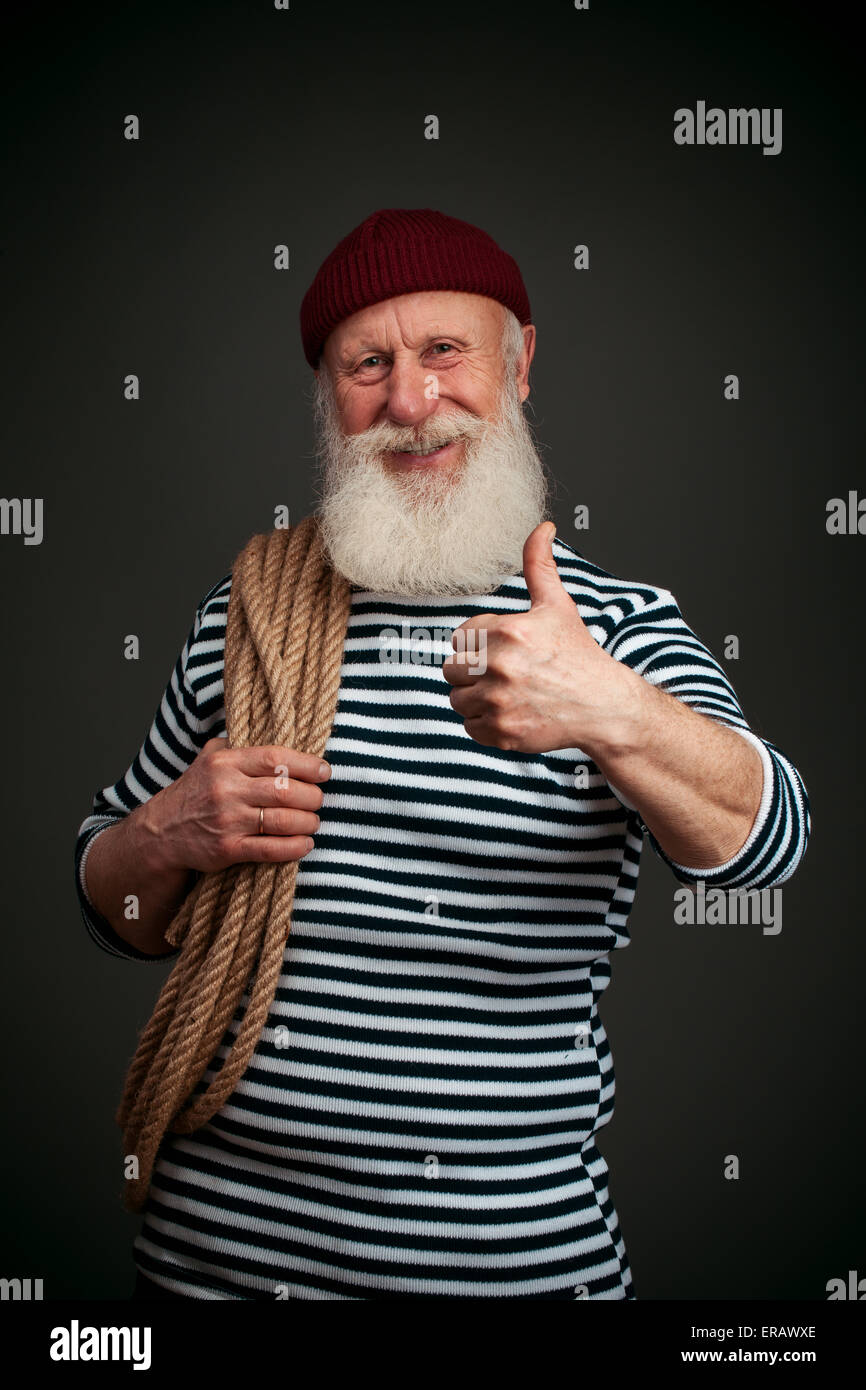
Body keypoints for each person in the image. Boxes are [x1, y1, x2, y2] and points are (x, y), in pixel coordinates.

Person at [74, 207, 810, 1301]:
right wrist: (164, 831)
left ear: (517, 362)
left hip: (500, 1272)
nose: (409, 403)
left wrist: (606, 706)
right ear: (330, 392)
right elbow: (112, 912)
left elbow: (769, 839)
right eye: (367, 363)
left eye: (443, 351)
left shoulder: (611, 625)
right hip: (209, 1263)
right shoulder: (251, 611)